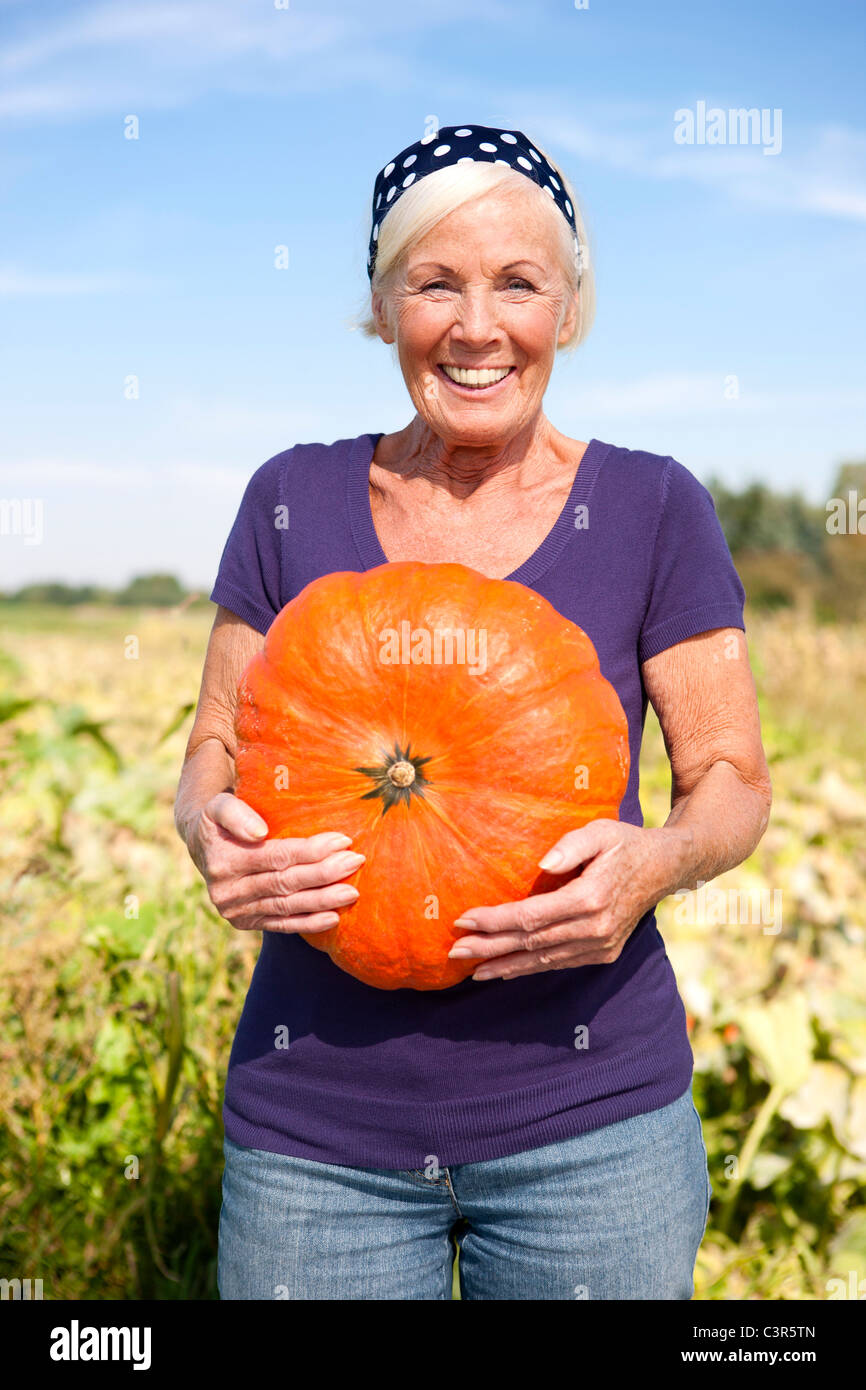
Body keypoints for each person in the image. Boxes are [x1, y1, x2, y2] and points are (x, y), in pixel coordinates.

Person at [174, 123, 772, 1300]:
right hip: (317, 1135)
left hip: (589, 1123)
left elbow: (731, 780)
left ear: (568, 305)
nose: (476, 325)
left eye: (517, 283)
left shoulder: (652, 505)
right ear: (384, 307)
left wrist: (658, 860)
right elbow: (214, 748)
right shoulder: (290, 497)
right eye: (432, 283)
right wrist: (207, 832)